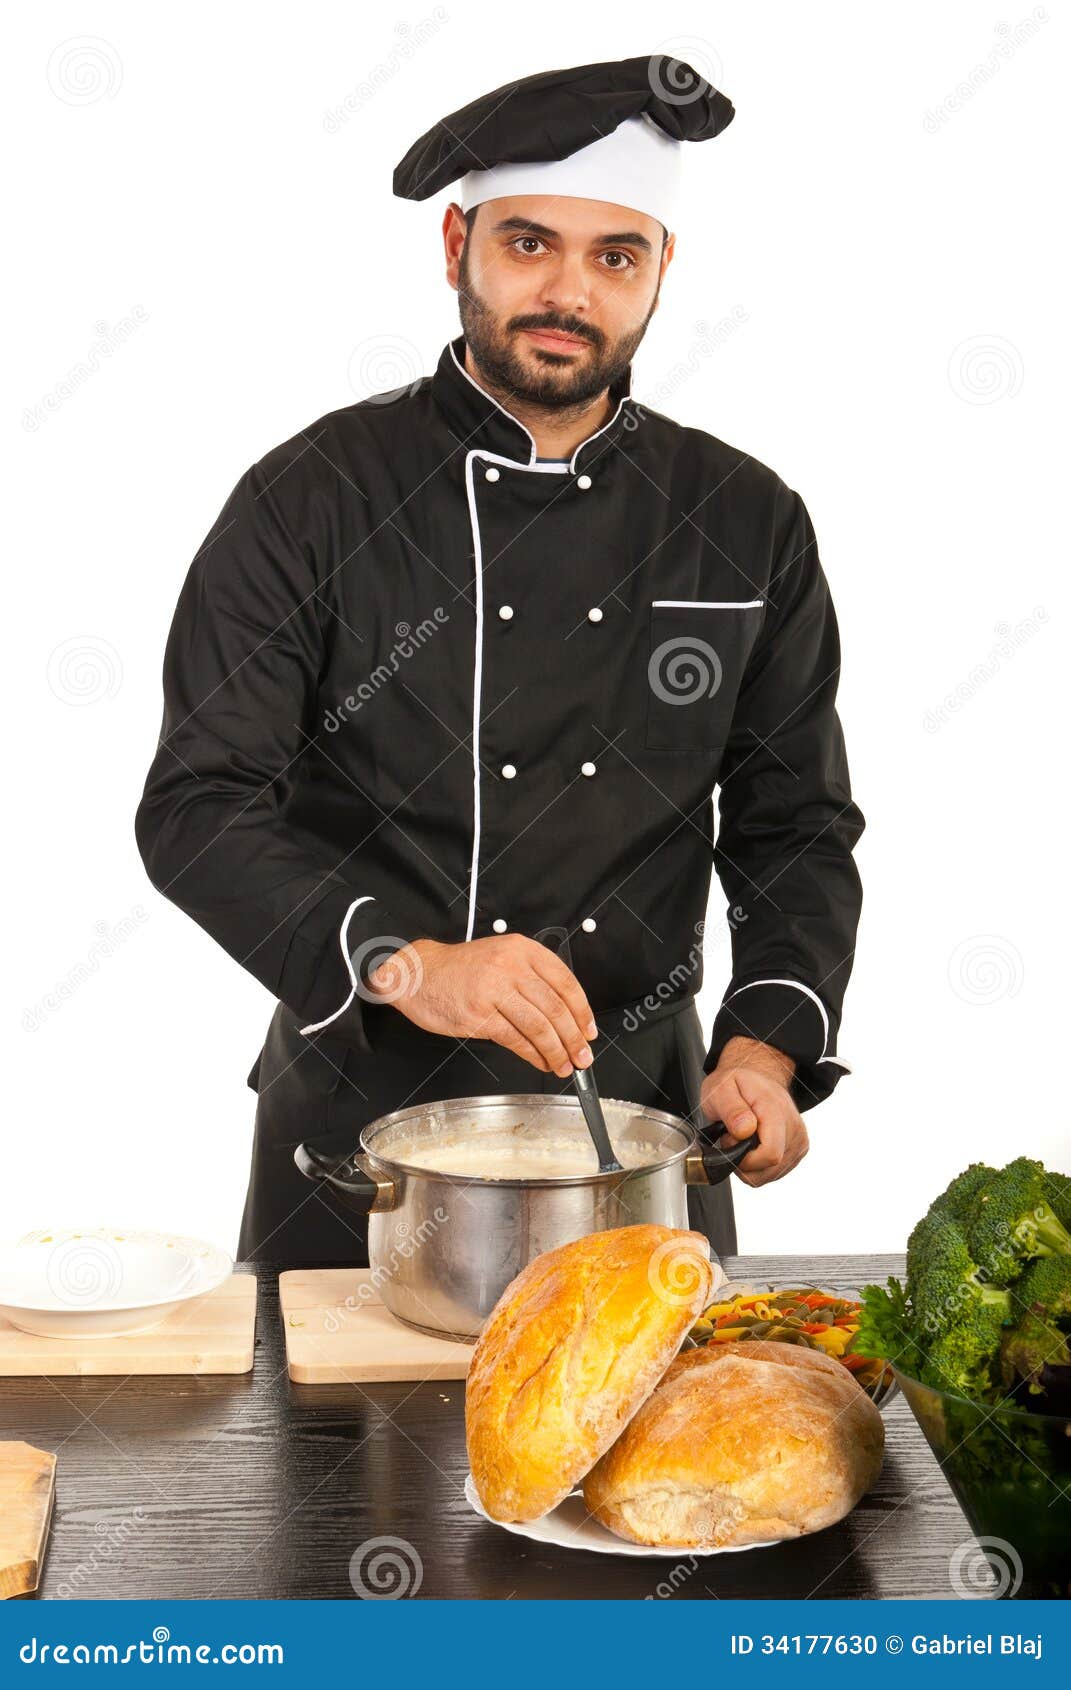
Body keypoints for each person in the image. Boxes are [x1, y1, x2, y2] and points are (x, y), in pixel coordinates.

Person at [135, 55, 863, 1265]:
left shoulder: (744, 518)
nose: (569, 292)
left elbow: (794, 825)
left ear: (661, 270)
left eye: (615, 256)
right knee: (325, 1453)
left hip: (637, 1123)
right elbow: (196, 807)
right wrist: (409, 964)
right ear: (457, 242)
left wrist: (761, 1052)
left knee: (649, 1451)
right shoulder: (311, 499)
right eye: (530, 245)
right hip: (359, 1130)